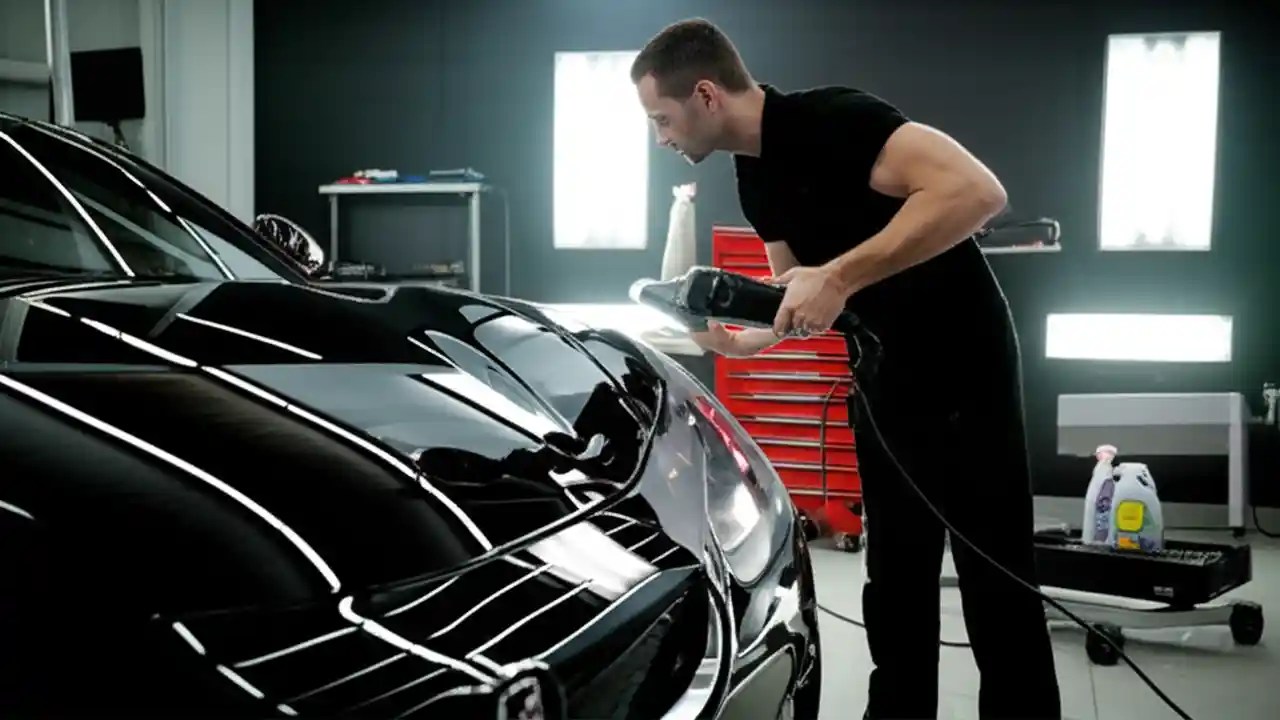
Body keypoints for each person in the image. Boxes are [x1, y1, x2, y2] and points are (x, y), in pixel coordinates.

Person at [631, 18, 1061, 720]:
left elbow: (977, 191)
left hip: (964, 364)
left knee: (995, 580)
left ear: (704, 94)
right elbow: (797, 297)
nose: (661, 138)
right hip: (883, 373)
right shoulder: (753, 179)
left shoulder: (838, 119)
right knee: (895, 578)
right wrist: (735, 340)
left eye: (662, 118)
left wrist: (843, 273)